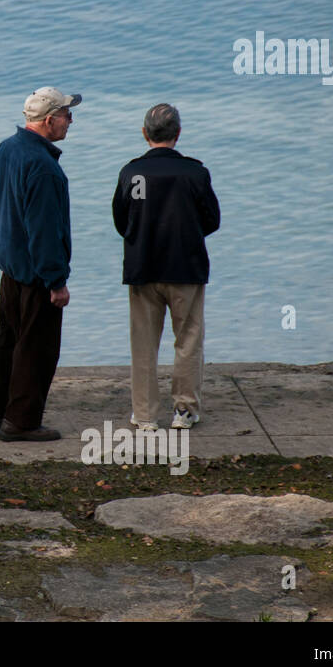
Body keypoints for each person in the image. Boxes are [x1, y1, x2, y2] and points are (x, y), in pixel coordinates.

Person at [111, 104, 220, 432]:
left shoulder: (132, 173)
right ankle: (184, 410)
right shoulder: (195, 173)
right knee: (188, 338)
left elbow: (121, 220)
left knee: (143, 343)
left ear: (145, 134)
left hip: (143, 268)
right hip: (185, 267)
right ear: (178, 133)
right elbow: (211, 221)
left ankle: (144, 415)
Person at [0, 87, 80, 442]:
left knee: (7, 337)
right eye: (68, 115)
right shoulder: (44, 168)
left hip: (10, 267)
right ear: (50, 120)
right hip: (37, 274)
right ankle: (20, 421)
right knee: (36, 347)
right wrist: (57, 280)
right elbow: (45, 230)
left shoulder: (7, 149)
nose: (71, 121)